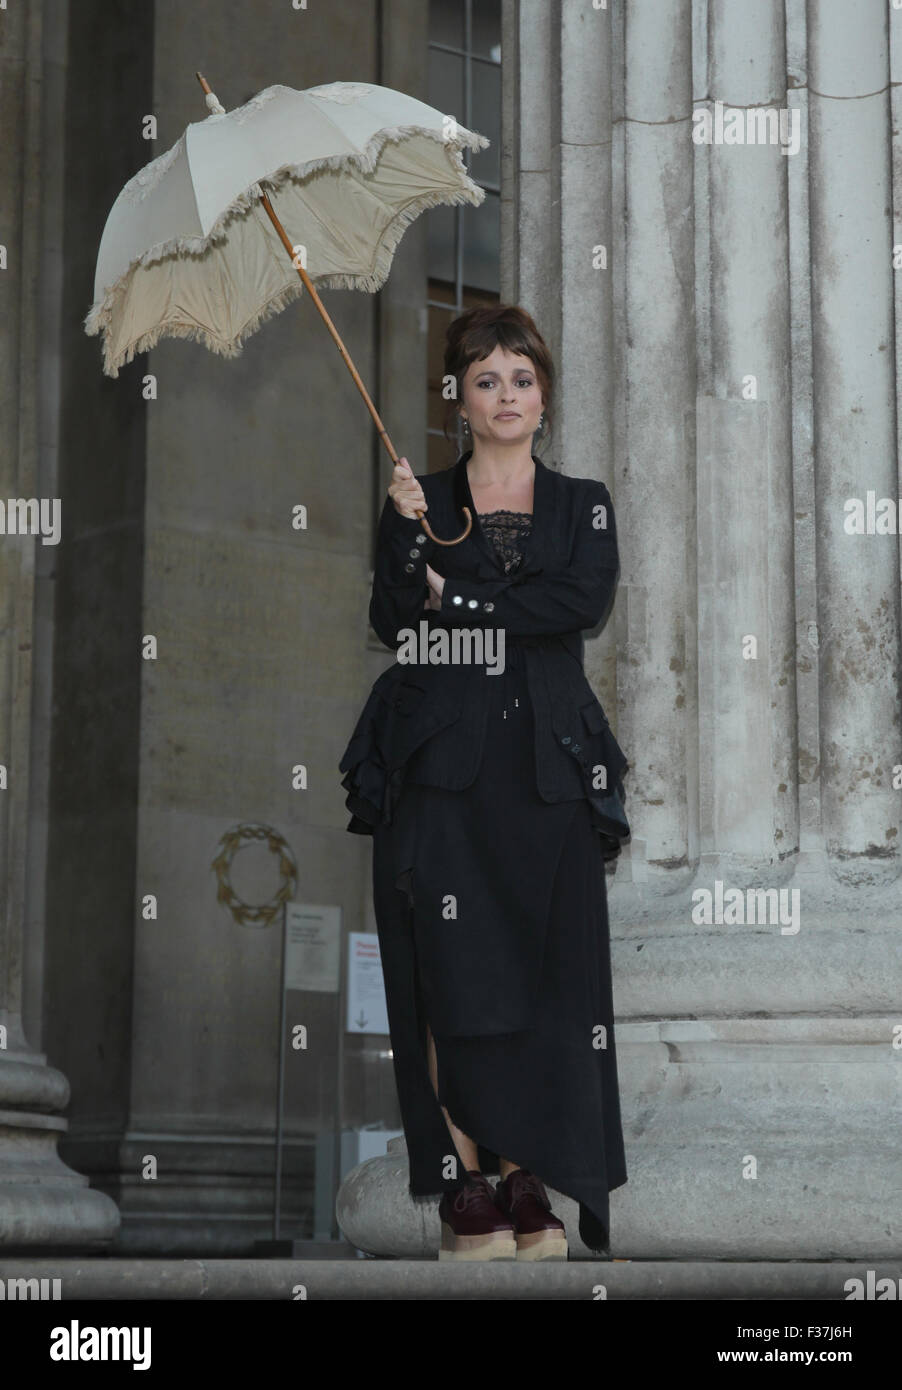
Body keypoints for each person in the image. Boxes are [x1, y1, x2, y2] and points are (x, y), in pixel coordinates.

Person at [338, 304, 630, 1261]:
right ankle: (467, 1187)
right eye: (486, 380)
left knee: (547, 974)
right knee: (447, 973)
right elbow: (394, 621)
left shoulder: (583, 502)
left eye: (523, 378)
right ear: (459, 400)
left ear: (543, 396)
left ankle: (526, 1174)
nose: (507, 395)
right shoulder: (417, 496)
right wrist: (403, 536)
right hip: (441, 762)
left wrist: (455, 596)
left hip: (547, 762)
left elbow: (575, 605)